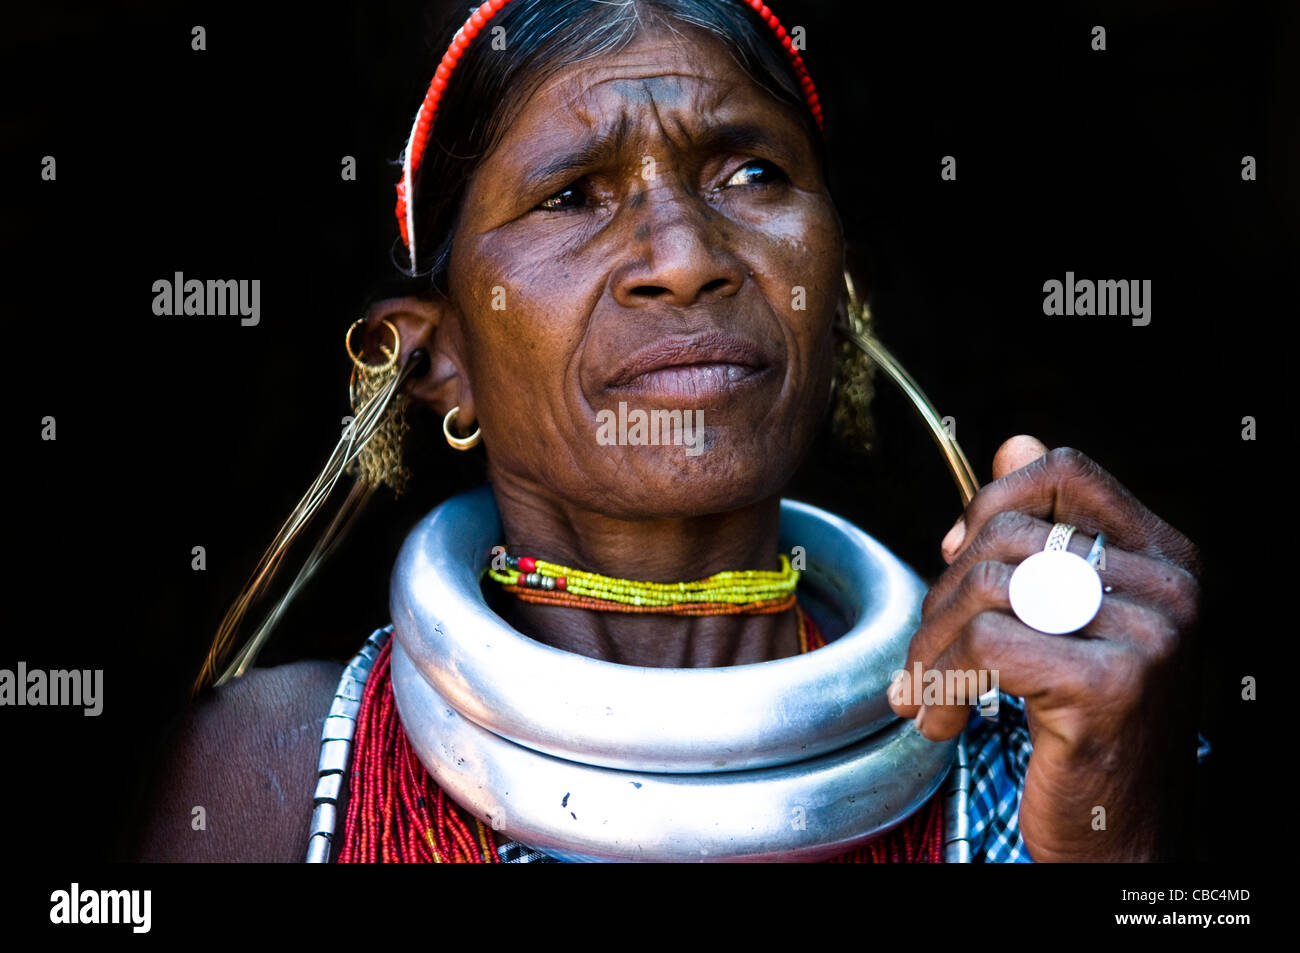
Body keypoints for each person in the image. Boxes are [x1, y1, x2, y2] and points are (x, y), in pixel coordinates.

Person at [138, 0, 1203, 863]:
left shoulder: (1071, 740)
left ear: (840, 297)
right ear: (431, 355)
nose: (685, 254)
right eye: (570, 196)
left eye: (750, 172)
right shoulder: (271, 780)